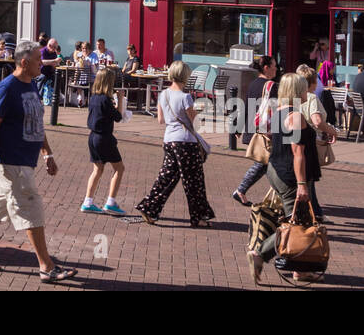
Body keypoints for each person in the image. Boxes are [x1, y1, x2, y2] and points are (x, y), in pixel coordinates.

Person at [0, 39, 76, 282]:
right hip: (12, 160)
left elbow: (36, 122)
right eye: (38, 59)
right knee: (31, 205)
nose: (41, 63)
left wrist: (48, 153)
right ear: (24, 62)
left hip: (27, 160)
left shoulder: (32, 86)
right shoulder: (7, 88)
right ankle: (47, 266)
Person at [247, 73, 322, 285]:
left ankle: (301, 268)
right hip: (290, 175)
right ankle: (260, 255)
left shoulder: (280, 111)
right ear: (297, 91)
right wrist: (301, 184)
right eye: (305, 88)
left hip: (276, 169)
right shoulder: (295, 117)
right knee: (295, 224)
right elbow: (298, 153)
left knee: (299, 220)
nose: (309, 91)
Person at [136, 61, 215, 228]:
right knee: (194, 181)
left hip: (169, 139)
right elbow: (195, 122)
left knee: (166, 178)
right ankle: (199, 216)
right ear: (185, 76)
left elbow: (160, 120)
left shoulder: (163, 95)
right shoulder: (185, 97)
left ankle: (149, 207)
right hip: (186, 142)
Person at [233, 55, 277, 206]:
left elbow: (246, 106)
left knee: (265, 163)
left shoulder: (253, 84)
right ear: (266, 68)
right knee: (267, 163)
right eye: (274, 66)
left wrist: (238, 128)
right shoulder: (271, 86)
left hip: (254, 129)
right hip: (266, 131)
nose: (276, 69)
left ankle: (242, 190)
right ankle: (241, 190)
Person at [81, 68, 126, 215]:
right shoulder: (106, 100)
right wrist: (120, 100)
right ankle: (111, 202)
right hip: (104, 137)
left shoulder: (94, 97)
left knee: (97, 169)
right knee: (119, 168)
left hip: (92, 137)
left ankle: (88, 201)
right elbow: (118, 117)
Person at [297, 64, 335, 222]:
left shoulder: (290, 96)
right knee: (309, 178)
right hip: (311, 141)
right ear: (312, 82)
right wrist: (331, 130)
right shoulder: (311, 97)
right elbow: (317, 121)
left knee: (306, 178)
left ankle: (315, 211)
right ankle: (313, 213)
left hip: (295, 140)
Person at [38, 38, 61, 107]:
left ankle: (54, 98)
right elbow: (42, 62)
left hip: (49, 72)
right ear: (49, 45)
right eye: (54, 47)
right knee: (43, 77)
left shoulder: (54, 53)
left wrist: (56, 64)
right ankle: (38, 98)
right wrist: (54, 61)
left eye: (56, 47)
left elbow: (54, 64)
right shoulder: (42, 51)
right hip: (40, 72)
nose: (55, 49)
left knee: (57, 78)